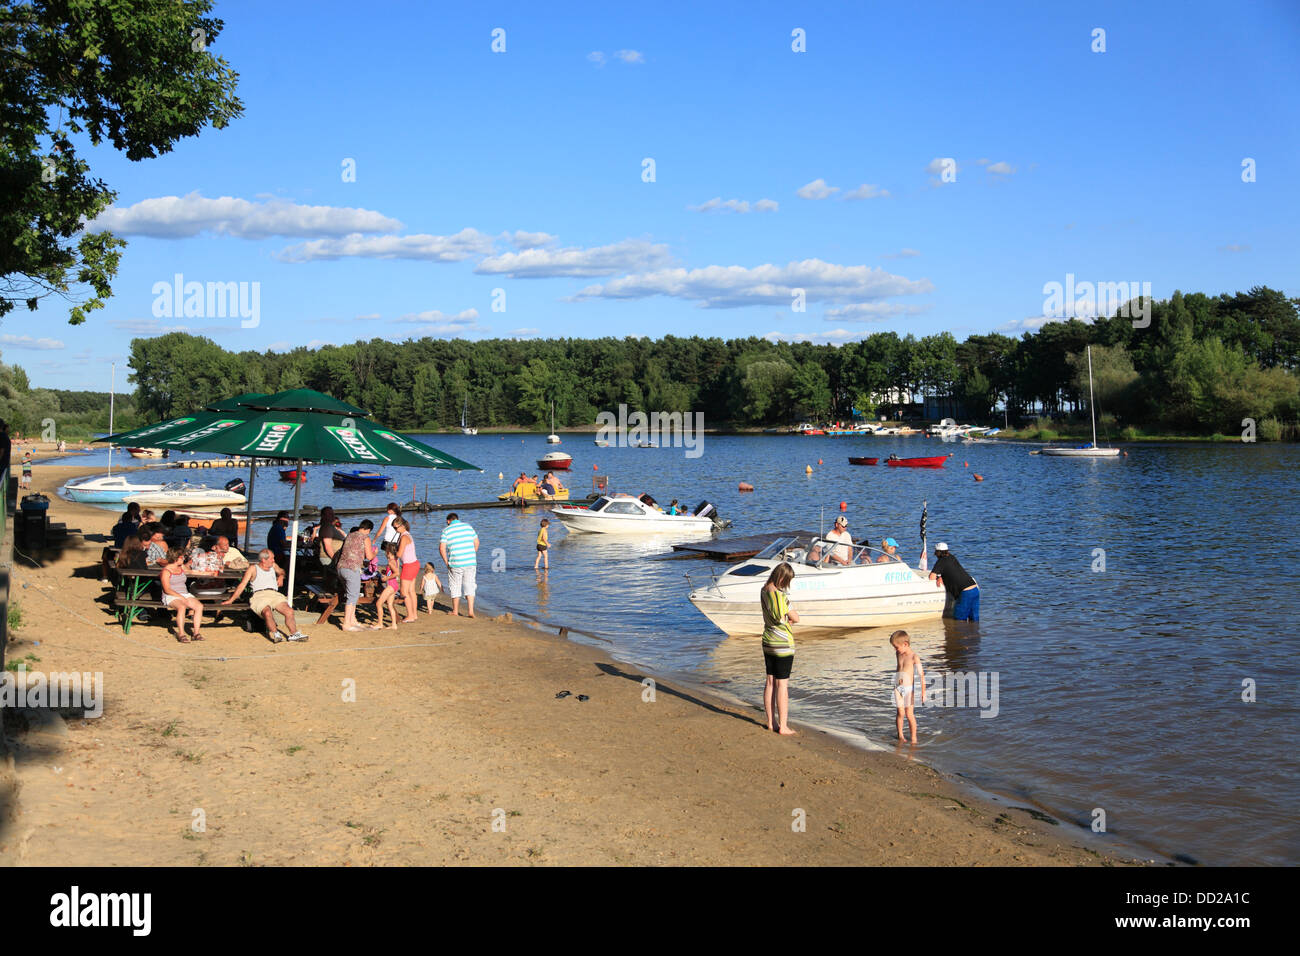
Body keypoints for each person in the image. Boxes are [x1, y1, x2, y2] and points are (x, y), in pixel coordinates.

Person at [224, 549, 307, 643]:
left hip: (274, 594)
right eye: (272, 558)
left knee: (289, 611)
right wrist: (231, 600)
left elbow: (282, 571)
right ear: (264, 560)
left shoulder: (273, 566)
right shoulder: (253, 569)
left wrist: (281, 576)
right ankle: (276, 634)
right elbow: (242, 585)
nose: (273, 560)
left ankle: (294, 633)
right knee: (267, 612)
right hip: (259, 595)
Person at [761, 562, 799, 736]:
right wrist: (788, 618)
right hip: (783, 643)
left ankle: (771, 722)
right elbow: (795, 617)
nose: (786, 585)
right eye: (787, 581)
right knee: (782, 684)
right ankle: (783, 726)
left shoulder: (763, 591)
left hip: (768, 640)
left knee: (770, 682)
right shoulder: (781, 596)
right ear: (782, 577)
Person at [335, 519, 377, 632]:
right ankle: (346, 623)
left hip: (340, 568)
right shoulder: (365, 538)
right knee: (353, 596)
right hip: (352, 568)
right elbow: (369, 556)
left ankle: (352, 620)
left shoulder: (350, 535)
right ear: (368, 530)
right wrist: (375, 553)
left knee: (351, 594)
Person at [439, 512, 479, 618]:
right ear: (457, 519)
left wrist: (447, 562)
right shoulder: (468, 527)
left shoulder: (446, 530)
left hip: (455, 562)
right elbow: (477, 542)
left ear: (448, 521)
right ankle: (471, 611)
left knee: (455, 585)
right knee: (469, 585)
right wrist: (472, 553)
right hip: (470, 561)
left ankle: (455, 611)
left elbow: (442, 548)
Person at [160, 547, 204, 643]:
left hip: (184, 593)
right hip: (171, 595)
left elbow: (191, 571)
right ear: (177, 558)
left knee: (199, 606)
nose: (183, 559)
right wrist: (181, 597)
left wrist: (207, 572)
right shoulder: (166, 571)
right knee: (181, 607)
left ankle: (196, 633)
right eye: (182, 557)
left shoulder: (181, 567)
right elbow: (167, 589)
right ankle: (181, 633)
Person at [928, 542, 980, 621]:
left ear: (938, 552)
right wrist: (941, 577)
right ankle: (974, 633)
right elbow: (951, 571)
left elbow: (931, 577)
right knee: (974, 621)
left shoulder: (941, 561)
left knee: (959, 621)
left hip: (965, 593)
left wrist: (938, 577)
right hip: (974, 589)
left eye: (935, 552)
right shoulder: (952, 557)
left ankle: (959, 633)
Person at [890, 630, 924, 743]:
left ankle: (914, 738)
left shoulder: (914, 657)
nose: (895, 649)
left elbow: (921, 675)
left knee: (909, 714)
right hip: (897, 687)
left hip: (909, 689)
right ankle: (900, 735)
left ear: (905, 644)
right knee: (900, 712)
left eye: (896, 647)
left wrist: (923, 693)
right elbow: (898, 668)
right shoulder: (898, 654)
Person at [391, 516, 420, 623]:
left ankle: (410, 615)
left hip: (409, 566)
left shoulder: (403, 537)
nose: (395, 530)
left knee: (404, 591)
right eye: (394, 528)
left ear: (402, 526)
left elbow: (399, 554)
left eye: (396, 528)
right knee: (411, 591)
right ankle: (414, 614)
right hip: (414, 564)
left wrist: (392, 550)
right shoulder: (406, 535)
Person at [371, 542, 401, 630]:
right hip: (394, 585)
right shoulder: (395, 560)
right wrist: (386, 572)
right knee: (390, 605)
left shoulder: (391, 562)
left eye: (386, 552)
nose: (385, 554)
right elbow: (393, 571)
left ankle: (380, 623)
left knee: (378, 603)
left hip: (391, 585)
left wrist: (387, 578)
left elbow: (397, 573)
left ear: (389, 552)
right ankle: (394, 625)